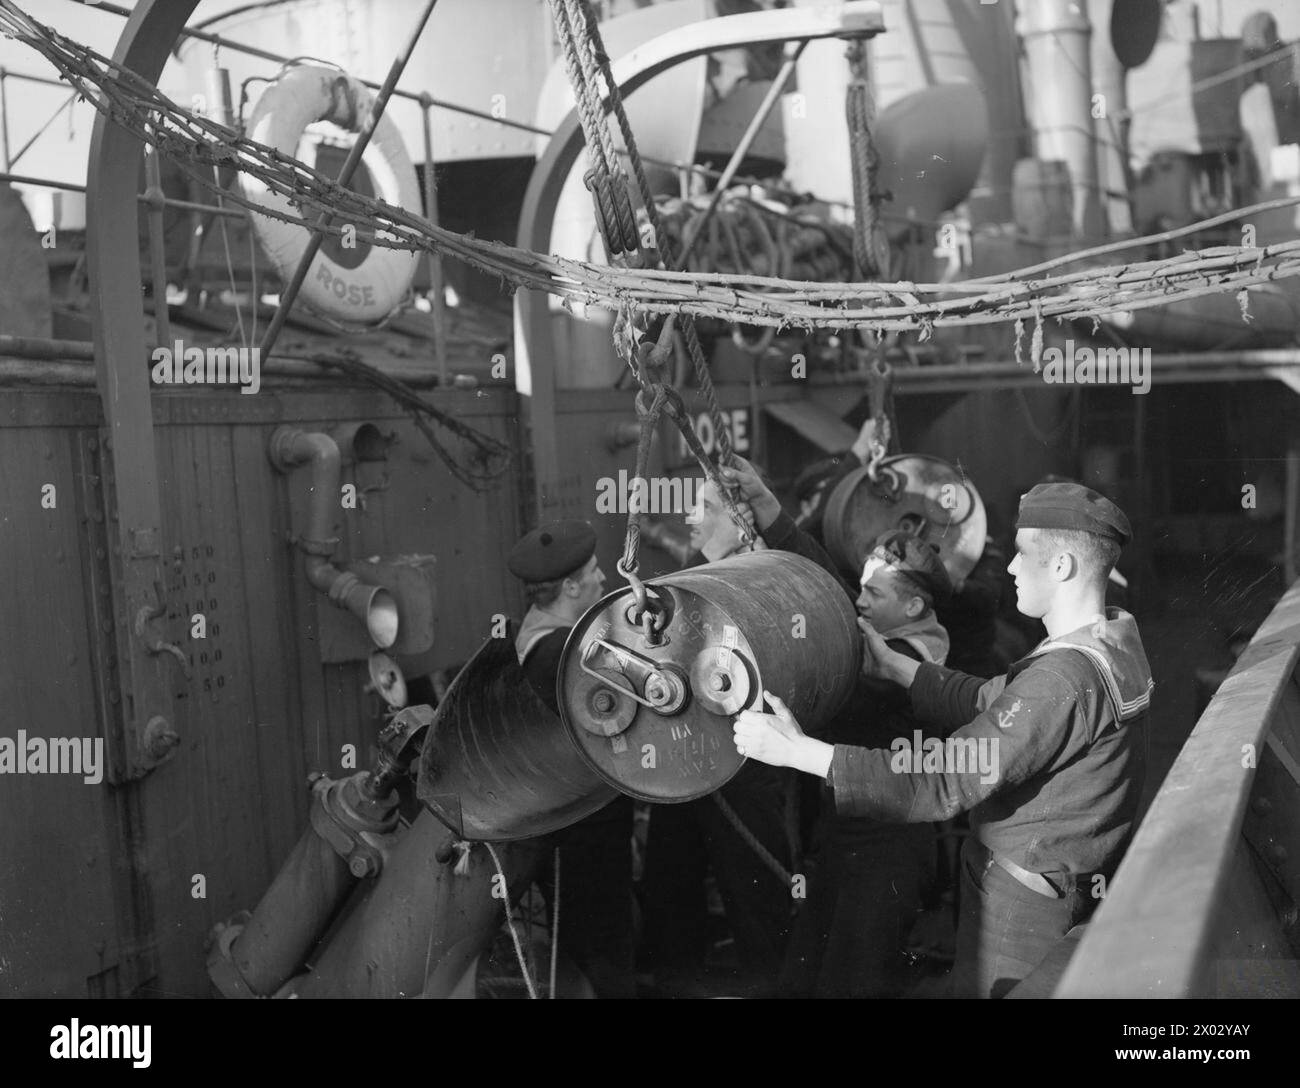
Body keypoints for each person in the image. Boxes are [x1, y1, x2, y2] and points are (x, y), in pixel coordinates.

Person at [731, 481, 1153, 998]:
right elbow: (995, 698)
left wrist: (800, 752)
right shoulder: (1108, 641)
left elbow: (945, 776)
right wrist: (903, 668)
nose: (1012, 569)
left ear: (1062, 566)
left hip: (1026, 901)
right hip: (1048, 881)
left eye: (1022, 554)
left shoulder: (1063, 679)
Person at [638, 471, 794, 996]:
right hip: (684, 762)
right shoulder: (691, 578)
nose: (688, 517)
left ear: (741, 517)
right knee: (670, 875)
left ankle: (771, 980)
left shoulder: (768, 579)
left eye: (702, 507)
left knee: (755, 889)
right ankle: (674, 978)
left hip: (746, 765)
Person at [780, 528, 952, 997]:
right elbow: (835, 590)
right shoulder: (896, 638)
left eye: (874, 592)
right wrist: (774, 520)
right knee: (809, 972)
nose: (859, 600)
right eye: (862, 587)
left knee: (854, 980)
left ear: (913, 607)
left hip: (885, 849)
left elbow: (835, 699)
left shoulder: (904, 661)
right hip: (851, 837)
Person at [507, 519, 635, 998]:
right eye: (595, 571)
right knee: (601, 953)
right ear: (570, 585)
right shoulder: (561, 652)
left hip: (570, 825)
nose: (604, 578)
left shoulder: (540, 637)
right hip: (583, 828)